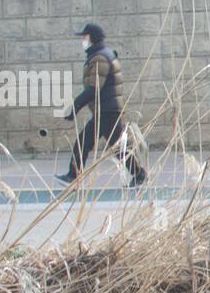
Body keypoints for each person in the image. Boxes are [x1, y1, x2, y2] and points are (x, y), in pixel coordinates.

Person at [56, 23, 147, 187]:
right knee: (119, 147)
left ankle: (73, 176)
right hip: (110, 110)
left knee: (83, 142)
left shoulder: (99, 58)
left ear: (92, 38)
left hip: (107, 111)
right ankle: (139, 175)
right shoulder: (103, 55)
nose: (83, 40)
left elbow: (93, 88)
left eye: (85, 37)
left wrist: (74, 107)